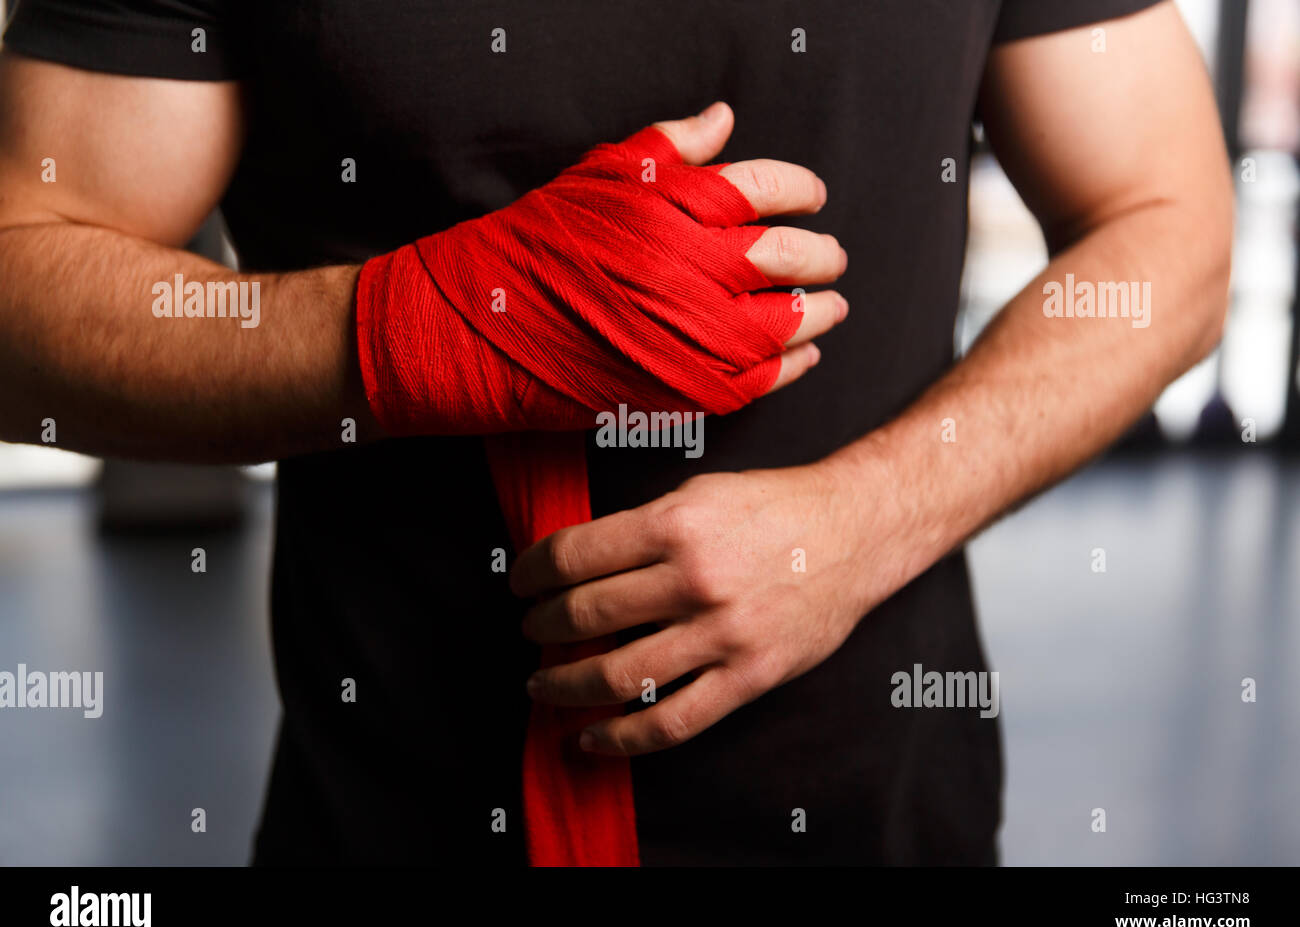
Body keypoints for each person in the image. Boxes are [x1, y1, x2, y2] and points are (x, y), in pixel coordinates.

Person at [0, 0, 1231, 865]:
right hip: (394, 814)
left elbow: (1165, 218)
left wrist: (864, 517)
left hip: (886, 817)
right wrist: (412, 330)